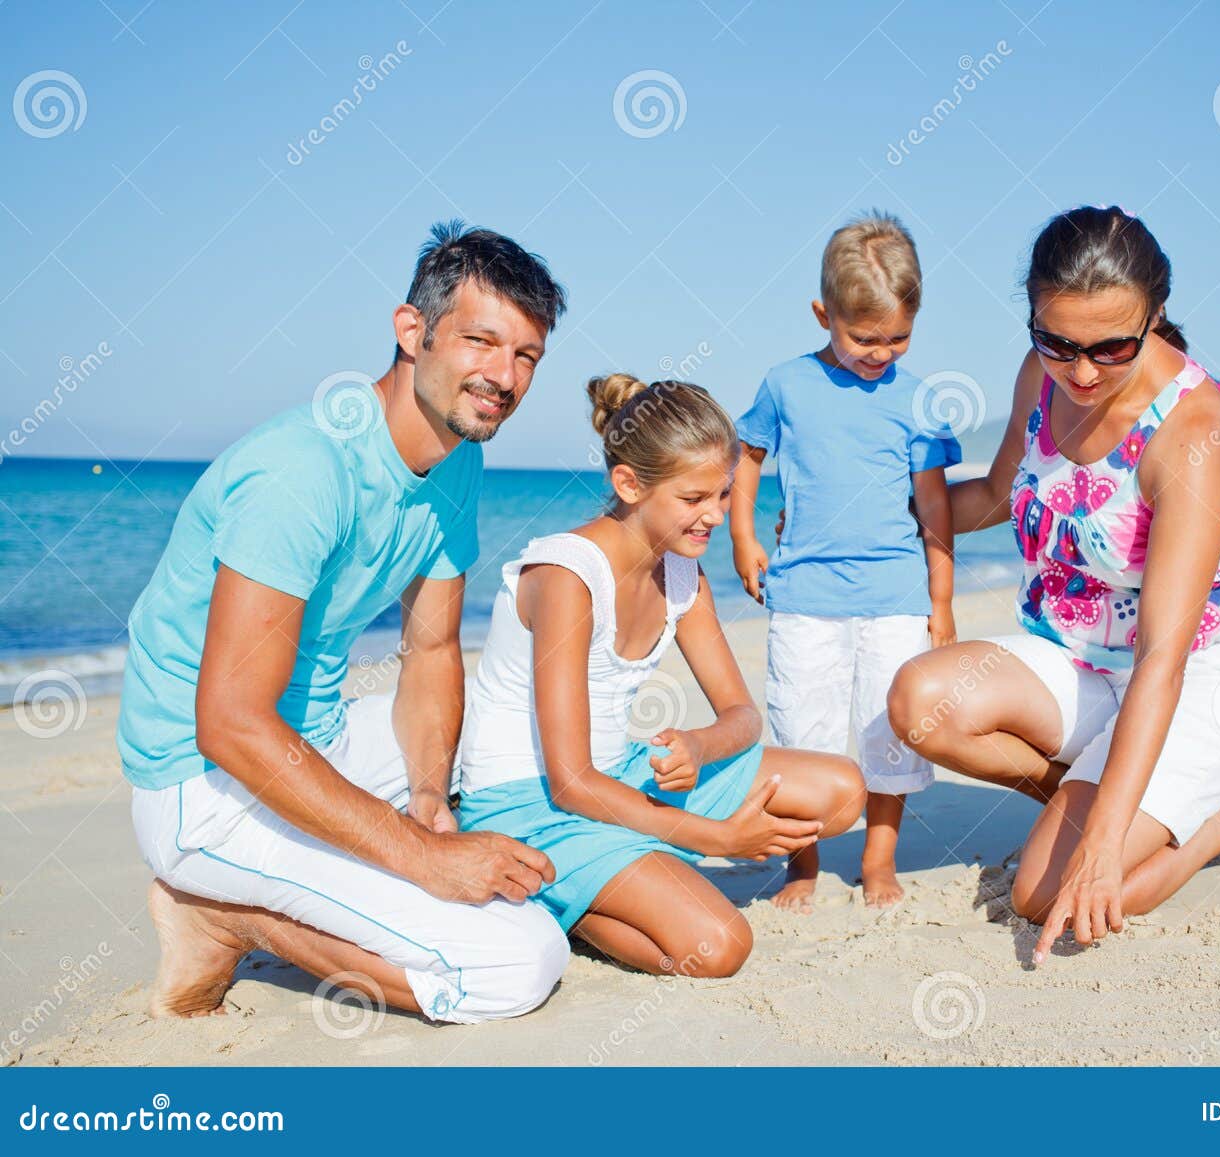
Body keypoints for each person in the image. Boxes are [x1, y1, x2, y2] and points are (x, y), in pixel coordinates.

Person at [119, 221, 572, 1023]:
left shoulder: (457, 456)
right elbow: (228, 724)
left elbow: (431, 647)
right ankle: (221, 914)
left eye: (526, 355)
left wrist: (430, 796)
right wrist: (425, 856)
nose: (503, 376)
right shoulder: (302, 471)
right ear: (411, 331)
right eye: (480, 341)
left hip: (315, 735)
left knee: (502, 737)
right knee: (520, 962)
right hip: (206, 783)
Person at [888, 206, 1220, 963]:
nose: (1082, 372)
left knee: (1046, 897)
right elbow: (997, 492)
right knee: (921, 705)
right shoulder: (1043, 374)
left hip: (1200, 673)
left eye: (1111, 346)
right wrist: (878, 507)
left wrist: (1098, 847)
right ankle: (1110, 802)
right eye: (1057, 341)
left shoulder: (1192, 429)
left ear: (1155, 316)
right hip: (1086, 661)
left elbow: (1165, 654)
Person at [456, 374, 865, 976]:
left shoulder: (683, 575)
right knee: (719, 946)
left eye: (723, 495)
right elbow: (570, 783)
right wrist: (714, 840)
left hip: (619, 778)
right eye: (694, 498)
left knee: (842, 791)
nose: (716, 517)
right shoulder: (568, 579)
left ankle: (630, 858)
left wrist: (701, 745)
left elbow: (743, 716)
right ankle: (562, 895)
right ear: (629, 485)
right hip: (529, 804)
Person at [729, 212, 961, 910]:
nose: (880, 352)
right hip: (803, 593)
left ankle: (879, 859)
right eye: (863, 337)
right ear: (822, 313)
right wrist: (743, 535)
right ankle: (802, 865)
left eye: (898, 337)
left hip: (895, 595)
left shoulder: (917, 399)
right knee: (803, 733)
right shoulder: (785, 385)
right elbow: (746, 460)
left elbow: (935, 507)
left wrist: (941, 600)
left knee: (887, 732)